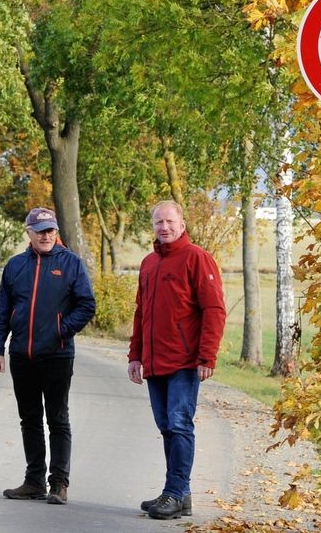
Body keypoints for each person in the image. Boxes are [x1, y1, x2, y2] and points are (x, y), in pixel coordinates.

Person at [127, 200, 227, 520]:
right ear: (153, 226)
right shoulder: (149, 263)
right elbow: (142, 313)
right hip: (155, 363)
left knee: (180, 425)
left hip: (185, 362)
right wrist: (135, 356)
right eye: (159, 222)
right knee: (167, 428)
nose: (164, 227)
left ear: (182, 224)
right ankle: (180, 496)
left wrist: (206, 355)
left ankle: (173, 492)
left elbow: (214, 310)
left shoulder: (197, 258)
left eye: (170, 222)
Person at [0, 207, 96, 506]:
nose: (46, 235)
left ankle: (59, 483)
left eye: (50, 230)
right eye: (40, 231)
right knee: (30, 419)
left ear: (56, 232)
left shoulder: (71, 263)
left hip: (58, 355)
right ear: (29, 233)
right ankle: (33, 481)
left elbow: (86, 304)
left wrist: (63, 330)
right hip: (22, 356)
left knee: (58, 419)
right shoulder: (15, 266)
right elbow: (2, 311)